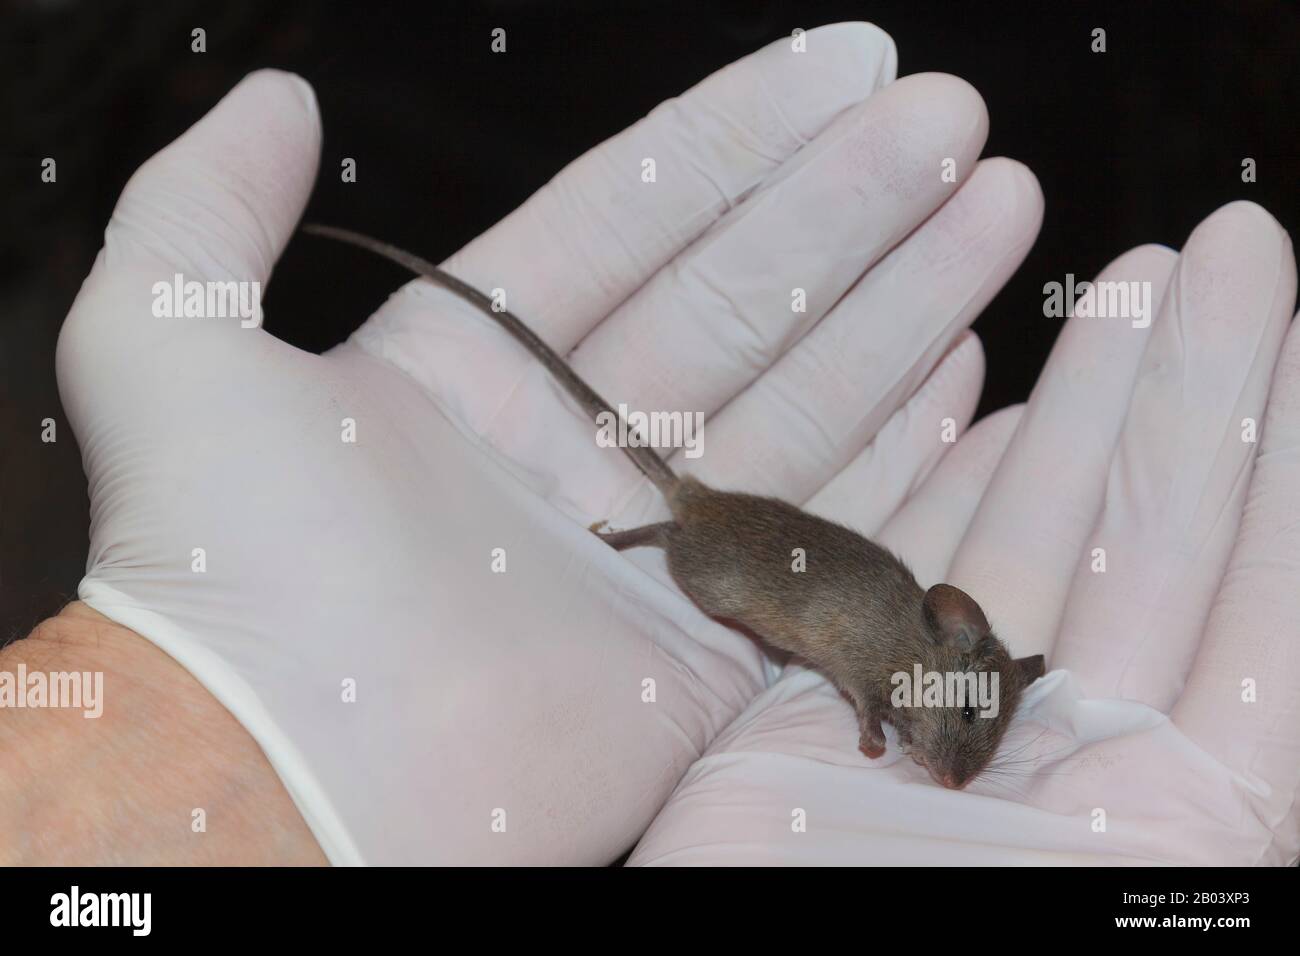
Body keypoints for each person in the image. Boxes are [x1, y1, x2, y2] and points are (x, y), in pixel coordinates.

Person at [2, 22, 1295, 865]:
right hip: (723, 551)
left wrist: (217, 758)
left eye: (961, 744)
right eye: (953, 737)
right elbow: (846, 661)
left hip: (758, 541)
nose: (951, 760)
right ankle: (646, 531)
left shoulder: (940, 650)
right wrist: (190, 715)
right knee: (713, 561)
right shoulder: (890, 660)